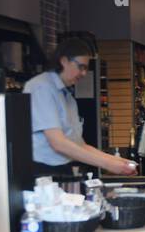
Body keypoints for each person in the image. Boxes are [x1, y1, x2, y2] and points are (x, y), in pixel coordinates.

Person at [25, 38, 136, 177]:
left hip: (60, 170)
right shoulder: (42, 88)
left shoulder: (66, 95)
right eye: (81, 67)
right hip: (41, 173)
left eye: (86, 68)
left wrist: (117, 161)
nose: (84, 73)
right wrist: (108, 164)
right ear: (64, 61)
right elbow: (57, 143)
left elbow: (79, 145)